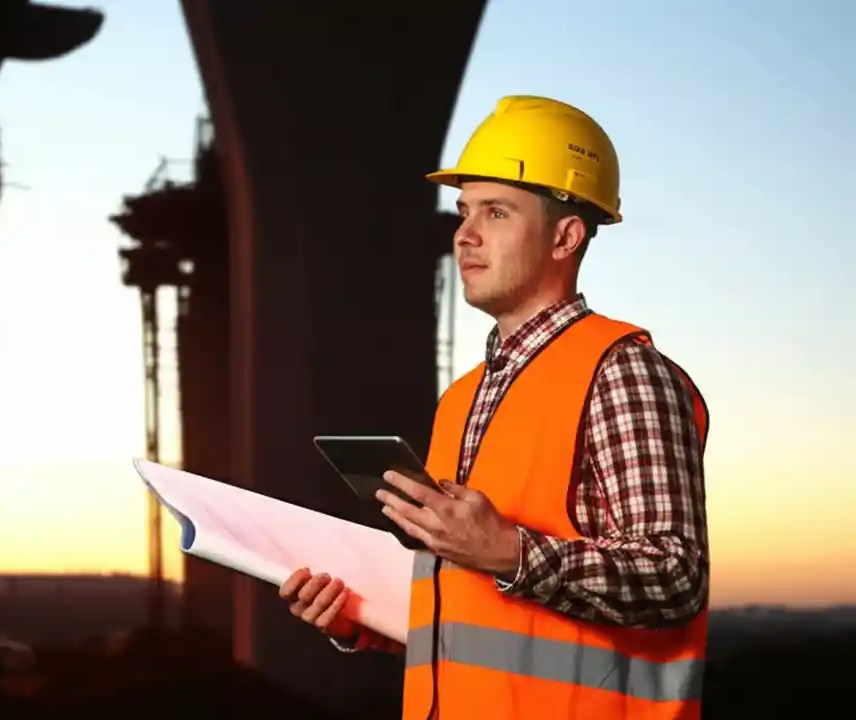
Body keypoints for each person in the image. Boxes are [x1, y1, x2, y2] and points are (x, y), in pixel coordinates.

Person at [278, 95, 711, 719]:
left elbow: (674, 577)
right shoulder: (463, 398)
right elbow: (475, 612)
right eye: (462, 211)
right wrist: (356, 615)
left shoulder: (620, 371)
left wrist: (509, 550)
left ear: (566, 236)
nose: (464, 234)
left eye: (496, 212)